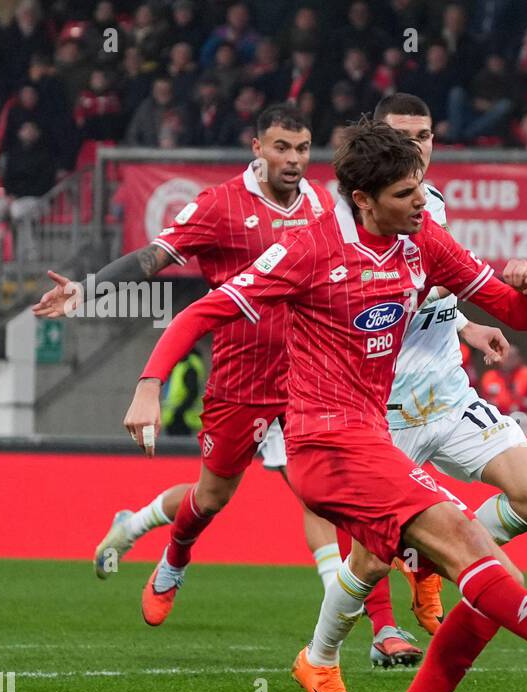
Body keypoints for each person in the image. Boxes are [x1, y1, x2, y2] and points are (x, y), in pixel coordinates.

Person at [121, 118, 527, 692]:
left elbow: (513, 311)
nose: (421, 202)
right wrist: (149, 385)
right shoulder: (309, 250)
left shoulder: (424, 238)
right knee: (466, 545)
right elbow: (206, 310)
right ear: (364, 200)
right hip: (324, 446)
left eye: (421, 187)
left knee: (491, 579)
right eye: (404, 193)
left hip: (371, 441)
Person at [31, 108, 378, 635]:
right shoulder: (220, 205)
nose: (294, 160)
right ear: (256, 146)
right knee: (212, 497)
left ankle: (349, 617)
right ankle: (167, 549)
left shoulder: (322, 204)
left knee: (318, 490)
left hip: (308, 377)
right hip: (242, 380)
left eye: (304, 149)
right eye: (282, 147)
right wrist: (86, 289)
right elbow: (153, 258)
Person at [353, 93, 527, 670]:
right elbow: (387, 295)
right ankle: (382, 632)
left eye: (423, 136)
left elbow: (438, 284)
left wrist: (467, 322)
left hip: (446, 391)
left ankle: (428, 561)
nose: (414, 147)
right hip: (381, 405)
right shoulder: (350, 217)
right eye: (401, 136)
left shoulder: (433, 205)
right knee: (372, 550)